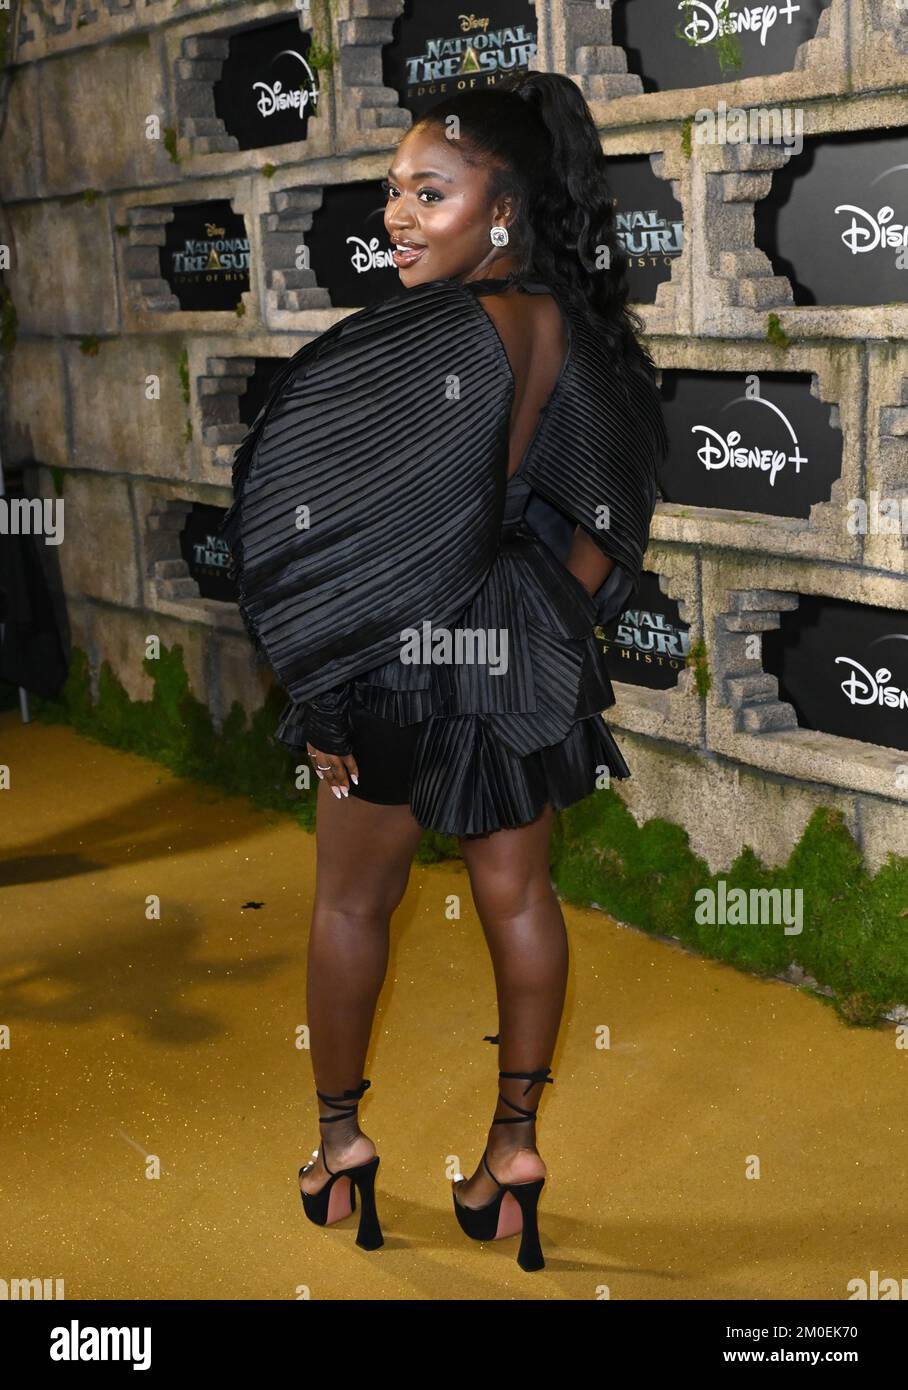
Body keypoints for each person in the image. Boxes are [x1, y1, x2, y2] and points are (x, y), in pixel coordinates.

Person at [219, 71, 667, 1272]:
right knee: (519, 902)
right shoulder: (575, 331)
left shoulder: (423, 340)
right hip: (512, 665)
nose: (397, 218)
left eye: (429, 191)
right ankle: (510, 1154)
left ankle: (337, 1150)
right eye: (391, 194)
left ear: (502, 209)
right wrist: (539, 633)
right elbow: (603, 519)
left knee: (352, 903)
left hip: (394, 673)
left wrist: (324, 692)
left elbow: (334, 536)